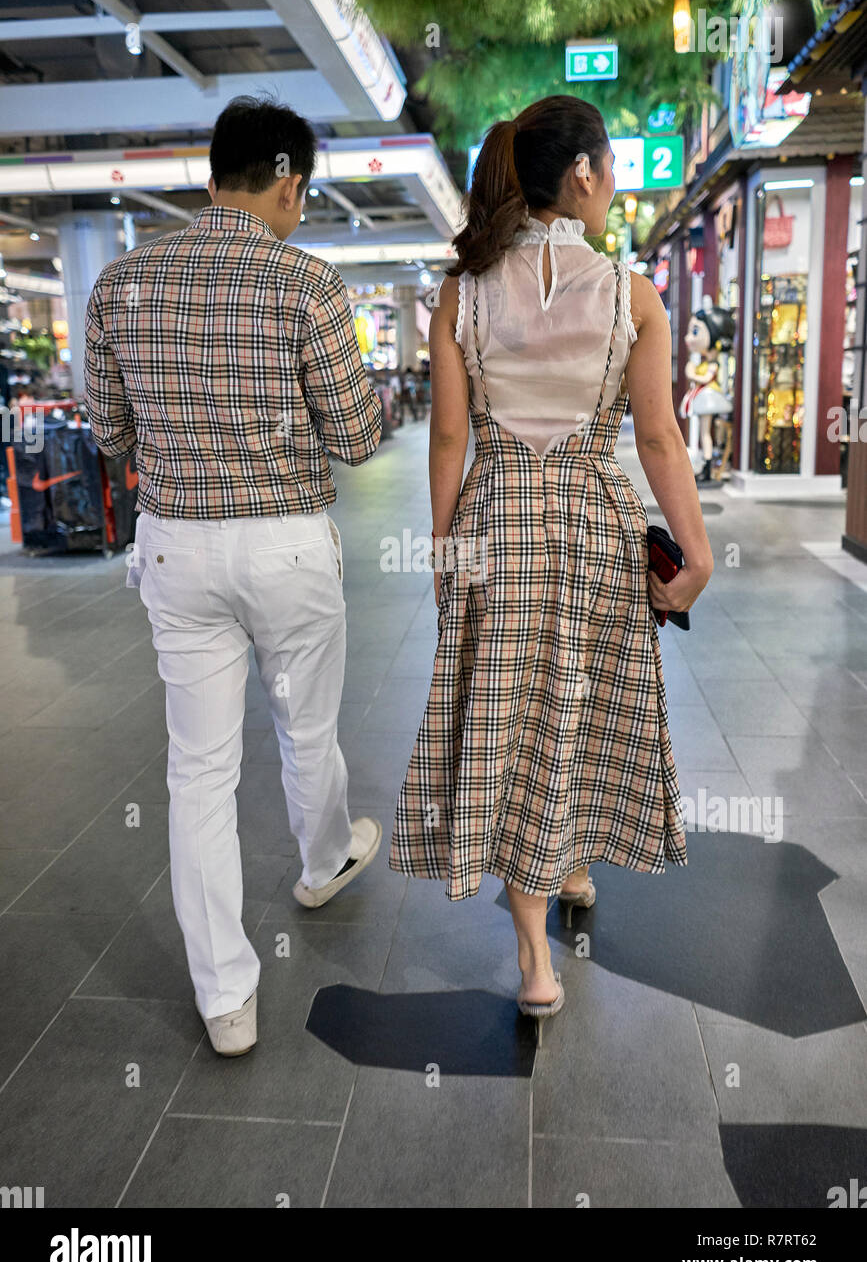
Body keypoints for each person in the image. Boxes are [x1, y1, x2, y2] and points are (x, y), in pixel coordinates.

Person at [390, 95, 713, 1041]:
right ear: (580, 176)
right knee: (576, 700)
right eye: (609, 170)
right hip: (591, 522)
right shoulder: (630, 294)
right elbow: (655, 437)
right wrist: (693, 551)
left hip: (495, 519)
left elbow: (448, 438)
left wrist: (446, 557)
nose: (612, 189)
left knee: (508, 710)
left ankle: (533, 955)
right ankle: (567, 862)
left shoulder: (464, 291)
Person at [84, 95, 383, 1058]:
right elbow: (356, 434)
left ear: (213, 176)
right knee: (307, 729)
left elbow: (110, 433)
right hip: (287, 545)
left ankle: (225, 1000)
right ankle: (323, 859)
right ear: (288, 182)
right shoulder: (308, 283)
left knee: (198, 774)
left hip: (176, 546)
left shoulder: (121, 284)